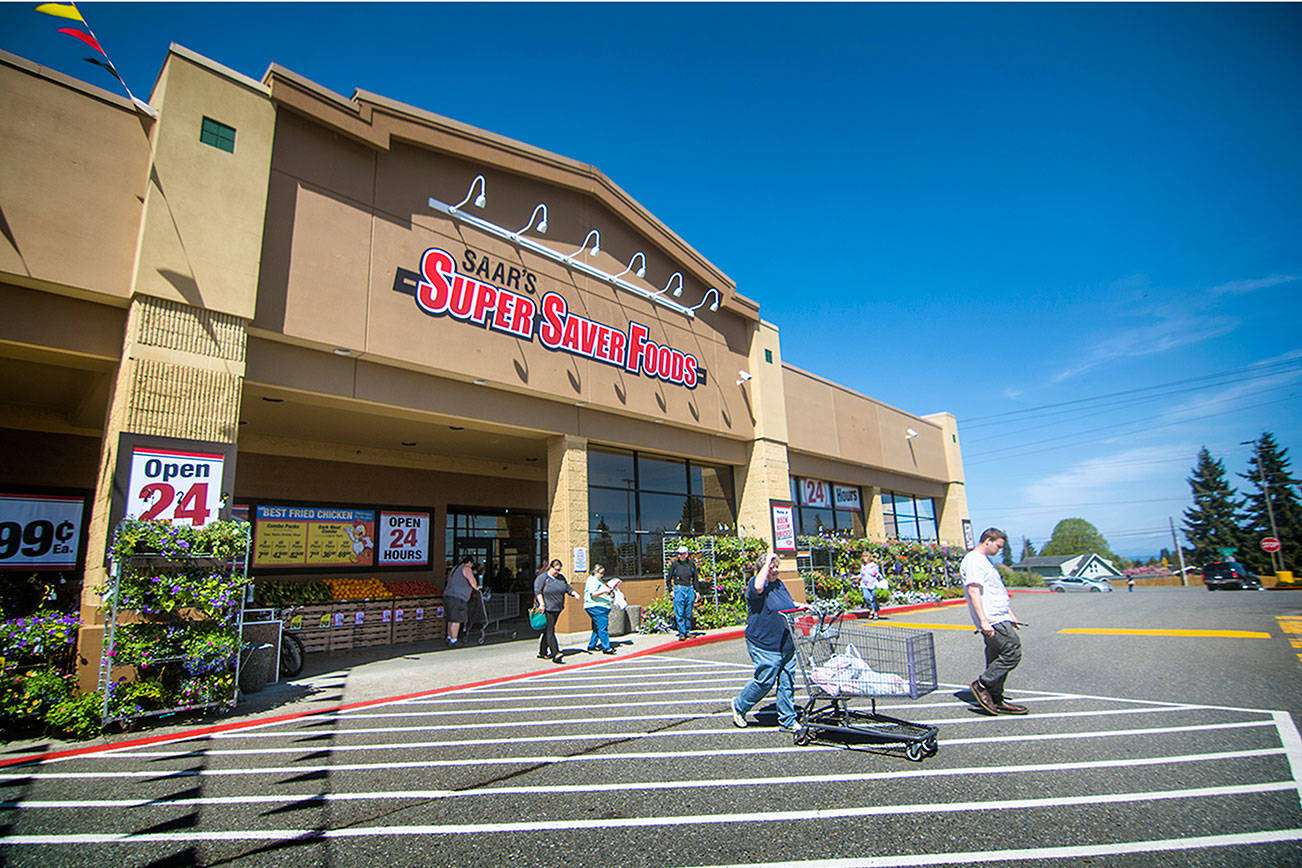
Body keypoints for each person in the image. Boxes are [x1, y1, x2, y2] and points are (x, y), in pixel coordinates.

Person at [731, 551, 800, 732]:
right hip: (764, 643)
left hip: (785, 642)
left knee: (787, 682)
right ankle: (739, 706)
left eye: (777, 566)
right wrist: (766, 562)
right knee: (764, 681)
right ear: (763, 568)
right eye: (772, 567)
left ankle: (788, 720)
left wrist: (799, 605)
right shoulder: (756, 583)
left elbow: (786, 602)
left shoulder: (778, 584)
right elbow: (759, 588)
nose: (776, 570)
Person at [962, 527, 1028, 715]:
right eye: (998, 546)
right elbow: (974, 590)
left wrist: (1010, 615)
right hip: (992, 618)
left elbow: (995, 591)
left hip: (999, 615)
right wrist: (983, 621)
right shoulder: (974, 560)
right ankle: (982, 684)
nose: (999, 550)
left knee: (995, 658)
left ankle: (996, 697)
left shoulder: (985, 561)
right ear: (987, 540)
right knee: (1012, 651)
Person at [534, 558, 580, 664]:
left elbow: (566, 587)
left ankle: (542, 652)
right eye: (556, 570)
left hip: (558, 607)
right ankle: (556, 653)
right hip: (548, 607)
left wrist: (574, 593)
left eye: (559, 570)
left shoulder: (560, 578)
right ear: (550, 567)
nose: (557, 572)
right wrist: (541, 604)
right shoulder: (543, 578)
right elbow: (538, 591)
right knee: (551, 630)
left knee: (548, 629)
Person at [583, 564, 621, 655]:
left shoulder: (598, 580)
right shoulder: (592, 580)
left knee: (597, 627)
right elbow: (593, 594)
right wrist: (605, 591)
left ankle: (592, 645)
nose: (602, 575)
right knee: (603, 628)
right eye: (601, 573)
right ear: (595, 572)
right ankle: (606, 648)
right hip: (596, 606)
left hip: (600, 606)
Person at [443, 556, 479, 647]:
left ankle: (449, 637)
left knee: (451, 619)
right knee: (456, 619)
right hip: (458, 597)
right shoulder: (466, 568)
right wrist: (476, 588)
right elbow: (472, 580)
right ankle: (454, 640)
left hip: (448, 595)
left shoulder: (454, 568)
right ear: (469, 563)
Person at [668, 545, 699, 640]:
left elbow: (695, 578)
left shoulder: (691, 564)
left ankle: (688, 630)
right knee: (679, 611)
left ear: (686, 554)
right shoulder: (675, 565)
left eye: (682, 554)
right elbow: (668, 578)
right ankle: (682, 632)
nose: (680, 556)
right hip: (679, 588)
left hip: (689, 588)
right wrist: (671, 590)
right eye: (678, 554)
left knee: (688, 611)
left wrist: (697, 591)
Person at [858, 552, 882, 618]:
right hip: (864, 584)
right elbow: (862, 575)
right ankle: (871, 609)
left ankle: (875, 612)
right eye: (864, 557)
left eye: (866, 556)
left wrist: (879, 577)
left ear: (869, 557)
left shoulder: (874, 565)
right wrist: (856, 577)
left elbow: (877, 573)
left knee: (874, 598)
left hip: (873, 584)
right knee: (866, 597)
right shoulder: (863, 566)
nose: (865, 558)